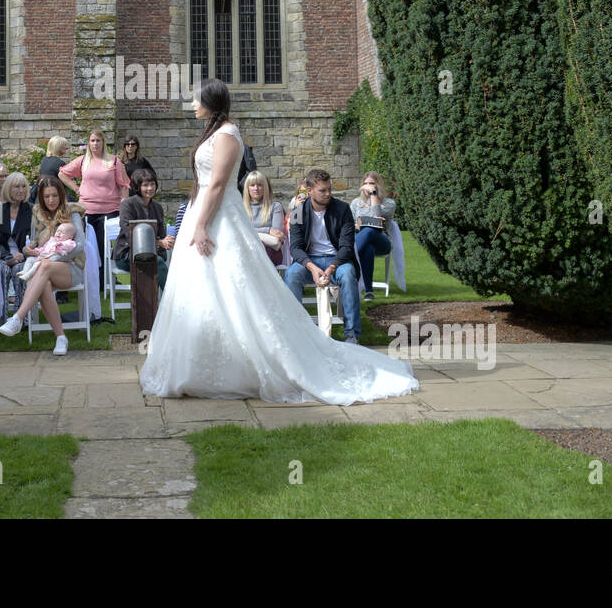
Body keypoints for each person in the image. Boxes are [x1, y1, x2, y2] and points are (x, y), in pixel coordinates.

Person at [139, 79, 418, 404]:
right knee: (201, 289)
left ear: (212, 101)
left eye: (196, 100)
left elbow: (216, 185)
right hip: (204, 213)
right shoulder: (214, 133)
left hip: (217, 219)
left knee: (236, 288)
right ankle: (196, 364)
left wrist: (200, 225)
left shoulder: (228, 134)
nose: (192, 105)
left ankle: (250, 364)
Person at [0, 176, 88, 356]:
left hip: (71, 267)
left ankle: (17, 318)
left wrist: (53, 258)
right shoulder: (38, 214)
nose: (51, 200)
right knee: (44, 284)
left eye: (54, 196)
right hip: (45, 269)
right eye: (47, 197)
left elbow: (79, 245)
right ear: (41, 197)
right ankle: (61, 338)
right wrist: (28, 249)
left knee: (44, 267)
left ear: (61, 196)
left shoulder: (72, 212)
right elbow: (32, 244)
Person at [283, 169, 363, 343]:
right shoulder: (297, 213)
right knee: (292, 274)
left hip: (338, 260)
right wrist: (311, 267)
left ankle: (351, 334)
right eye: (322, 190)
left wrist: (332, 267)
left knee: (348, 274)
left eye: (329, 189)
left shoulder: (342, 209)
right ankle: (298, 333)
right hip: (310, 260)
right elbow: (295, 248)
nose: (328, 193)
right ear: (309, 191)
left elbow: (346, 246)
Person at [58, 127, 129, 266]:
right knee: (88, 247)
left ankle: (106, 279)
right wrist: (76, 188)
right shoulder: (83, 160)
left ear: (103, 143)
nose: (95, 143)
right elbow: (62, 174)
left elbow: (124, 186)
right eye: (92, 141)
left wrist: (123, 207)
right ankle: (90, 278)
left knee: (104, 247)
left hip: (109, 210)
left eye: (98, 140)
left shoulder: (114, 161)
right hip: (87, 210)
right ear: (89, 143)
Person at [113, 167, 174, 294]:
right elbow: (128, 232)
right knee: (157, 263)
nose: (150, 188)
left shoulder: (157, 207)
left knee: (158, 262)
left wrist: (167, 242)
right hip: (126, 254)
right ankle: (172, 299)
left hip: (154, 255)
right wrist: (158, 242)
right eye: (145, 185)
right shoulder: (127, 204)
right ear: (137, 186)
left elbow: (161, 234)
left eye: (152, 184)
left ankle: (161, 305)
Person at [351, 172, 396, 304]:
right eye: (365, 183)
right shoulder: (356, 203)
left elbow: (376, 216)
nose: (368, 186)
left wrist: (373, 195)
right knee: (368, 247)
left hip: (382, 241)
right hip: (363, 241)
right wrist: (357, 225)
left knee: (370, 230)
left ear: (378, 186)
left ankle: (349, 255)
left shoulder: (389, 203)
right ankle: (369, 291)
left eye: (371, 183)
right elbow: (350, 224)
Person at [0, 171, 32, 318]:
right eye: (16, 187)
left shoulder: (32, 210)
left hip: (25, 256)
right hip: (3, 255)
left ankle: (21, 317)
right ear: (8, 189)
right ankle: (0, 317)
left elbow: (36, 239)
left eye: (23, 186)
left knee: (19, 270)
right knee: (2, 271)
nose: (21, 190)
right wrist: (8, 256)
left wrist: (23, 253)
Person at [242, 170, 286, 267]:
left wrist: (252, 232)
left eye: (260, 185)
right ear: (247, 188)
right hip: (248, 249)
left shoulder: (275, 206)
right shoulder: (241, 207)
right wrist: (268, 230)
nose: (256, 188)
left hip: (270, 251)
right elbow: (240, 230)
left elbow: (277, 234)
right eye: (252, 185)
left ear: (265, 187)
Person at [34, 137, 72, 202]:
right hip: (54, 198)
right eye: (65, 145)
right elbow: (66, 183)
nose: (67, 147)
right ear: (58, 146)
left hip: (41, 196)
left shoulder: (44, 160)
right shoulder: (60, 163)